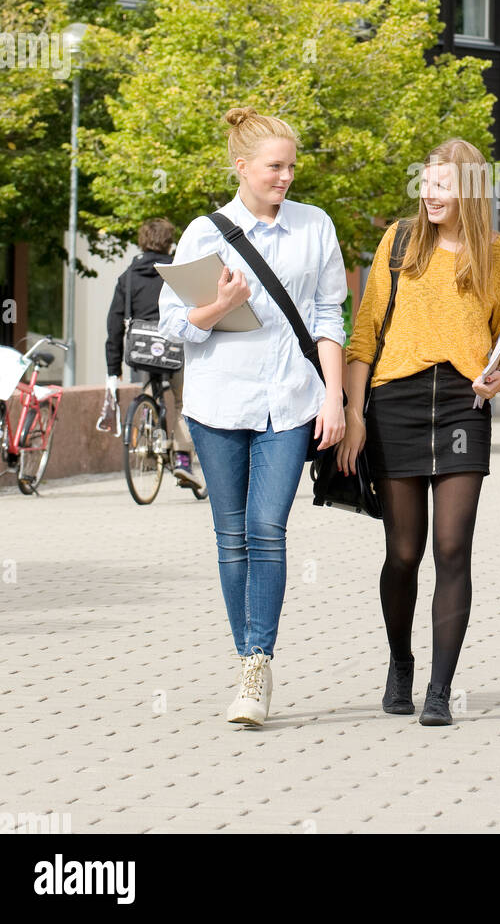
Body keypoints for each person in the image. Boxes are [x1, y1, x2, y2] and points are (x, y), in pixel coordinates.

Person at [158, 107, 347, 726]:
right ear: (242, 168)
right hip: (219, 403)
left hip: (292, 401)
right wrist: (217, 306)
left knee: (267, 528)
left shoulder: (314, 226)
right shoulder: (203, 234)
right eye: (275, 166)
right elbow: (171, 327)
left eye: (292, 166)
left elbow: (327, 316)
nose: (286, 176)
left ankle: (258, 663)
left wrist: (336, 397)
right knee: (230, 535)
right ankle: (248, 660)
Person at [339, 140, 500, 727]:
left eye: (442, 185)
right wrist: (352, 413)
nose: (430, 194)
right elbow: (364, 331)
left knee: (452, 547)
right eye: (426, 183)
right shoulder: (399, 240)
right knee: (403, 552)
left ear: (470, 190)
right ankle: (401, 662)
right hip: (394, 401)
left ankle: (440, 690)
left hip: (462, 404)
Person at [100, 218, 200, 489]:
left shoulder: (127, 277)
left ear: (142, 241)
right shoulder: (177, 273)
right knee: (183, 403)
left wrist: (112, 369)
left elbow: (114, 324)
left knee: (147, 388)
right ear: (169, 242)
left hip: (141, 350)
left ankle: (147, 420)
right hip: (174, 348)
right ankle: (181, 459)